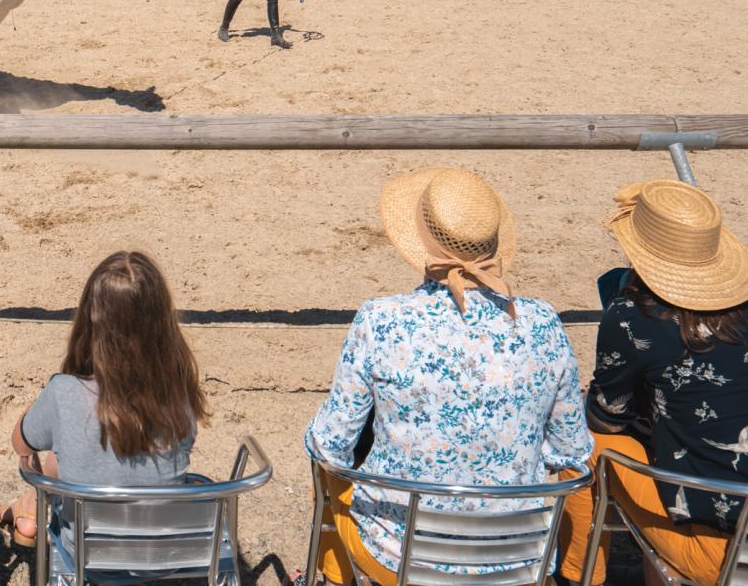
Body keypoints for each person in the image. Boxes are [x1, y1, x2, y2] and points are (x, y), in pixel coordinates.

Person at [303, 167, 592, 586]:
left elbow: (330, 445)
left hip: (399, 555)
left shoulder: (381, 319)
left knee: (325, 460)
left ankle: (330, 579)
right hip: (518, 557)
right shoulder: (543, 321)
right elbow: (572, 452)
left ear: (420, 240)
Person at [557, 179, 748, 586]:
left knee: (584, 446)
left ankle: (578, 576)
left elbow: (608, 417)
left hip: (721, 556)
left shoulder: (632, 315)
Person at [0, 250, 209, 551]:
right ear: (162, 321)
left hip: (87, 550)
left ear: (90, 317)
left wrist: (40, 408)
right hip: (162, 547)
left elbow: (20, 445)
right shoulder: (178, 394)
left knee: (61, 448)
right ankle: (29, 506)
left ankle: (30, 506)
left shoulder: (64, 392)